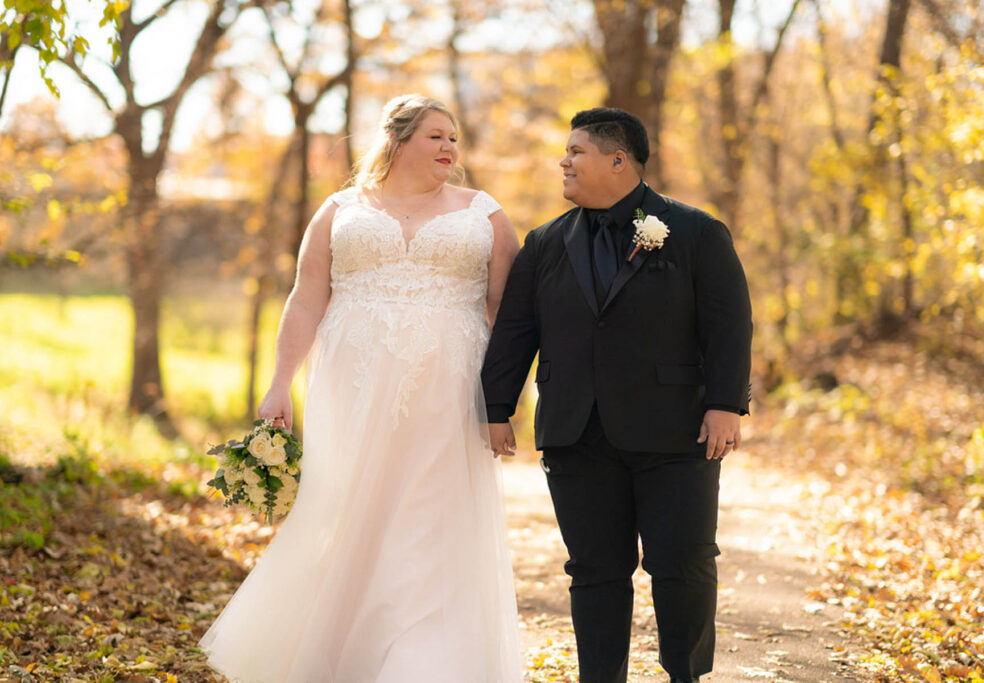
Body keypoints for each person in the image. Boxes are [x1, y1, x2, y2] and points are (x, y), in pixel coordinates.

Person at [200, 94, 522, 682]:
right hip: (352, 386)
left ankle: (419, 663)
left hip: (447, 392)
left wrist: (505, 402)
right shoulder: (340, 208)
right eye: (436, 136)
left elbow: (508, 313)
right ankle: (342, 652)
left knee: (428, 517)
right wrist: (279, 385)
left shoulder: (485, 213)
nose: (451, 148)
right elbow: (305, 300)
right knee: (352, 509)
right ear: (399, 141)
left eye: (454, 138)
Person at [482, 107, 752, 683]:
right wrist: (494, 407)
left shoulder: (697, 233)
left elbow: (729, 326)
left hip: (677, 431)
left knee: (683, 565)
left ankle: (686, 674)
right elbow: (515, 331)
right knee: (594, 571)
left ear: (617, 160)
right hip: (575, 433)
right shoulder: (545, 242)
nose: (564, 161)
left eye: (575, 151)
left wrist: (726, 404)